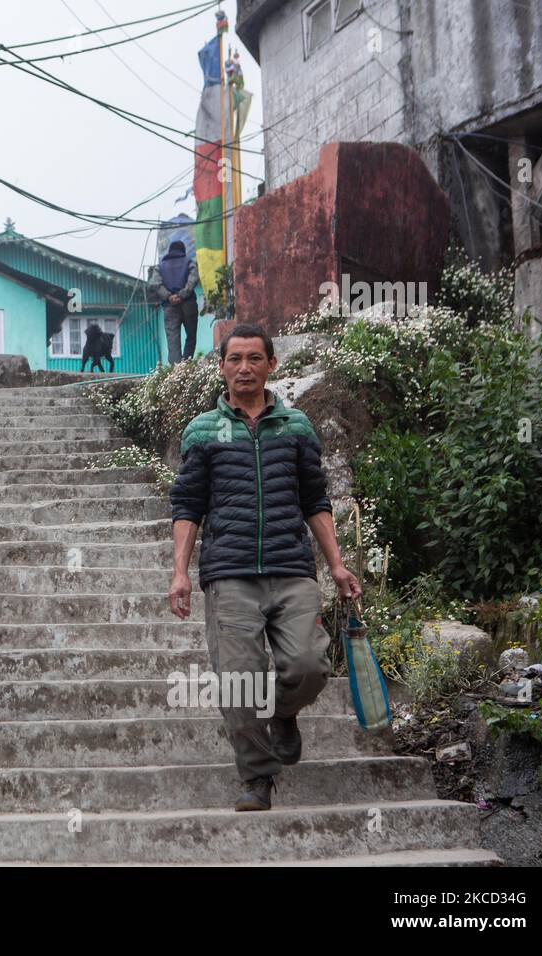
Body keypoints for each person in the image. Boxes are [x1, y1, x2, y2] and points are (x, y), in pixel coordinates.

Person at [167, 323, 362, 812]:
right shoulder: (203, 430)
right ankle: (256, 778)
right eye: (235, 359)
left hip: (291, 568)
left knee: (309, 665)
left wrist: (336, 564)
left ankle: (282, 713)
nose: (245, 367)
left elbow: (315, 498)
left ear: (271, 365)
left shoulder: (295, 426)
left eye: (255, 358)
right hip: (229, 574)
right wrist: (180, 572)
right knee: (238, 679)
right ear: (221, 367)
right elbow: (188, 504)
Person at [152, 240, 199, 364]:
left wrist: (169, 296)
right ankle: (187, 364)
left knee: (173, 340)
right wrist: (182, 294)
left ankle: (175, 369)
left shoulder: (160, 266)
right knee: (191, 336)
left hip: (170, 307)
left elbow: (155, 283)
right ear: (183, 250)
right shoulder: (189, 262)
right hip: (188, 304)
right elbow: (193, 279)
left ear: (170, 251)